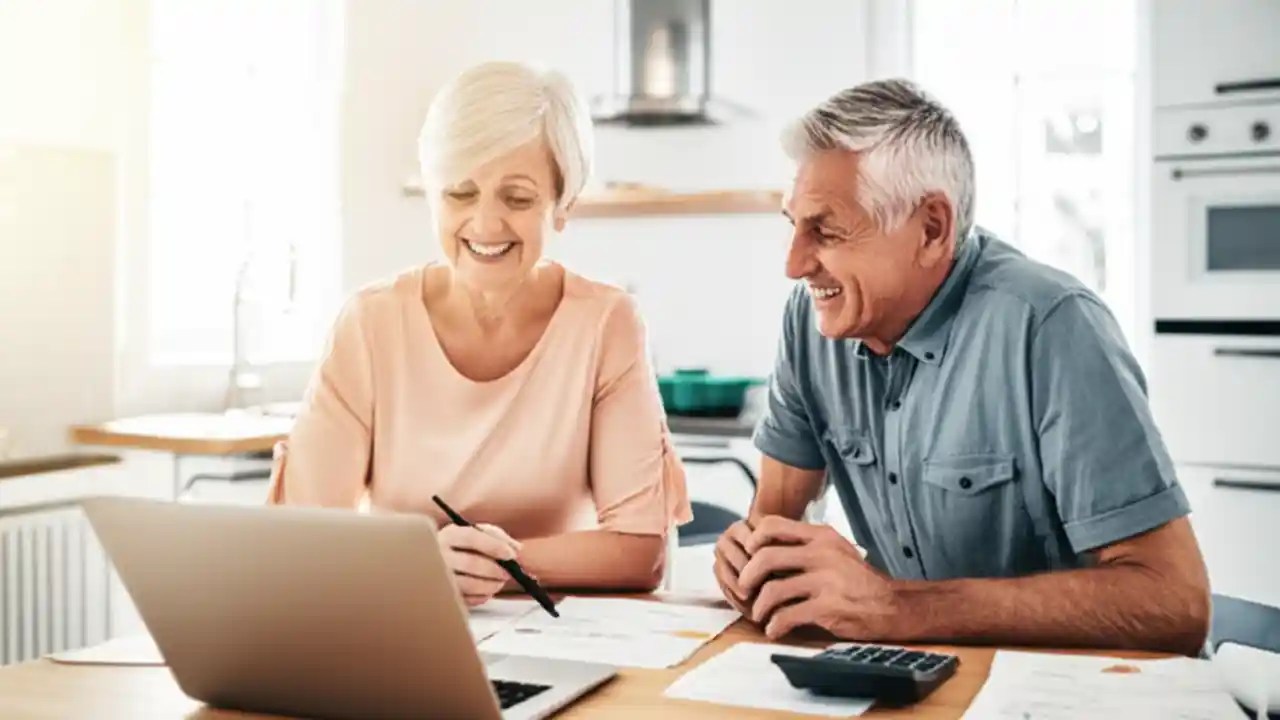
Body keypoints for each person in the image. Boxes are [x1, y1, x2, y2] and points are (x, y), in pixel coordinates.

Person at [714, 79, 1210, 655]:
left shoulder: (1051, 325)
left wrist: (897, 608)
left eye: (826, 230)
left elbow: (1175, 603)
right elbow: (774, 518)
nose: (795, 264)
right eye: (792, 224)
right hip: (924, 678)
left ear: (931, 228)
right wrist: (754, 564)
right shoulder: (813, 318)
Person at [268, 61, 691, 606]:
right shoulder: (371, 323)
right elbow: (307, 539)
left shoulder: (605, 323)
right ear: (431, 195)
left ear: (562, 205)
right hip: (403, 624)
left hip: (564, 640)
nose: (486, 225)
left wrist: (495, 564)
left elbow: (639, 553)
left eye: (516, 198)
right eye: (459, 194)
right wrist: (424, 567)